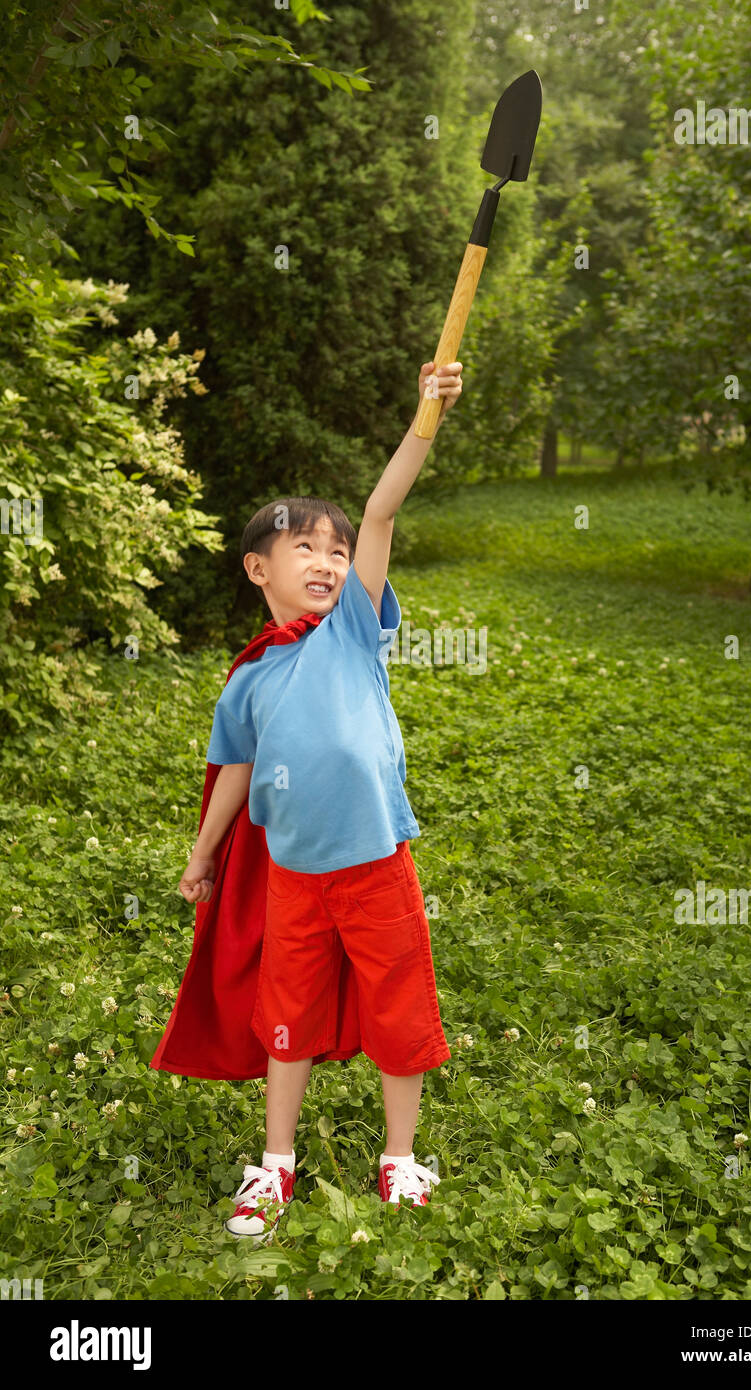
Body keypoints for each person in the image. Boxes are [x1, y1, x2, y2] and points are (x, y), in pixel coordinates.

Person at [162, 360, 463, 1244]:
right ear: (258, 567)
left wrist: (424, 416)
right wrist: (203, 853)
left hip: (377, 868)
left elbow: (381, 509)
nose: (329, 560)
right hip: (294, 880)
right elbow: (236, 773)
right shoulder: (250, 678)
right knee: (283, 1021)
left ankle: (400, 1159)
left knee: (399, 1012)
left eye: (337, 550)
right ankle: (277, 1163)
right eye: (306, 547)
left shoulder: (353, 631)